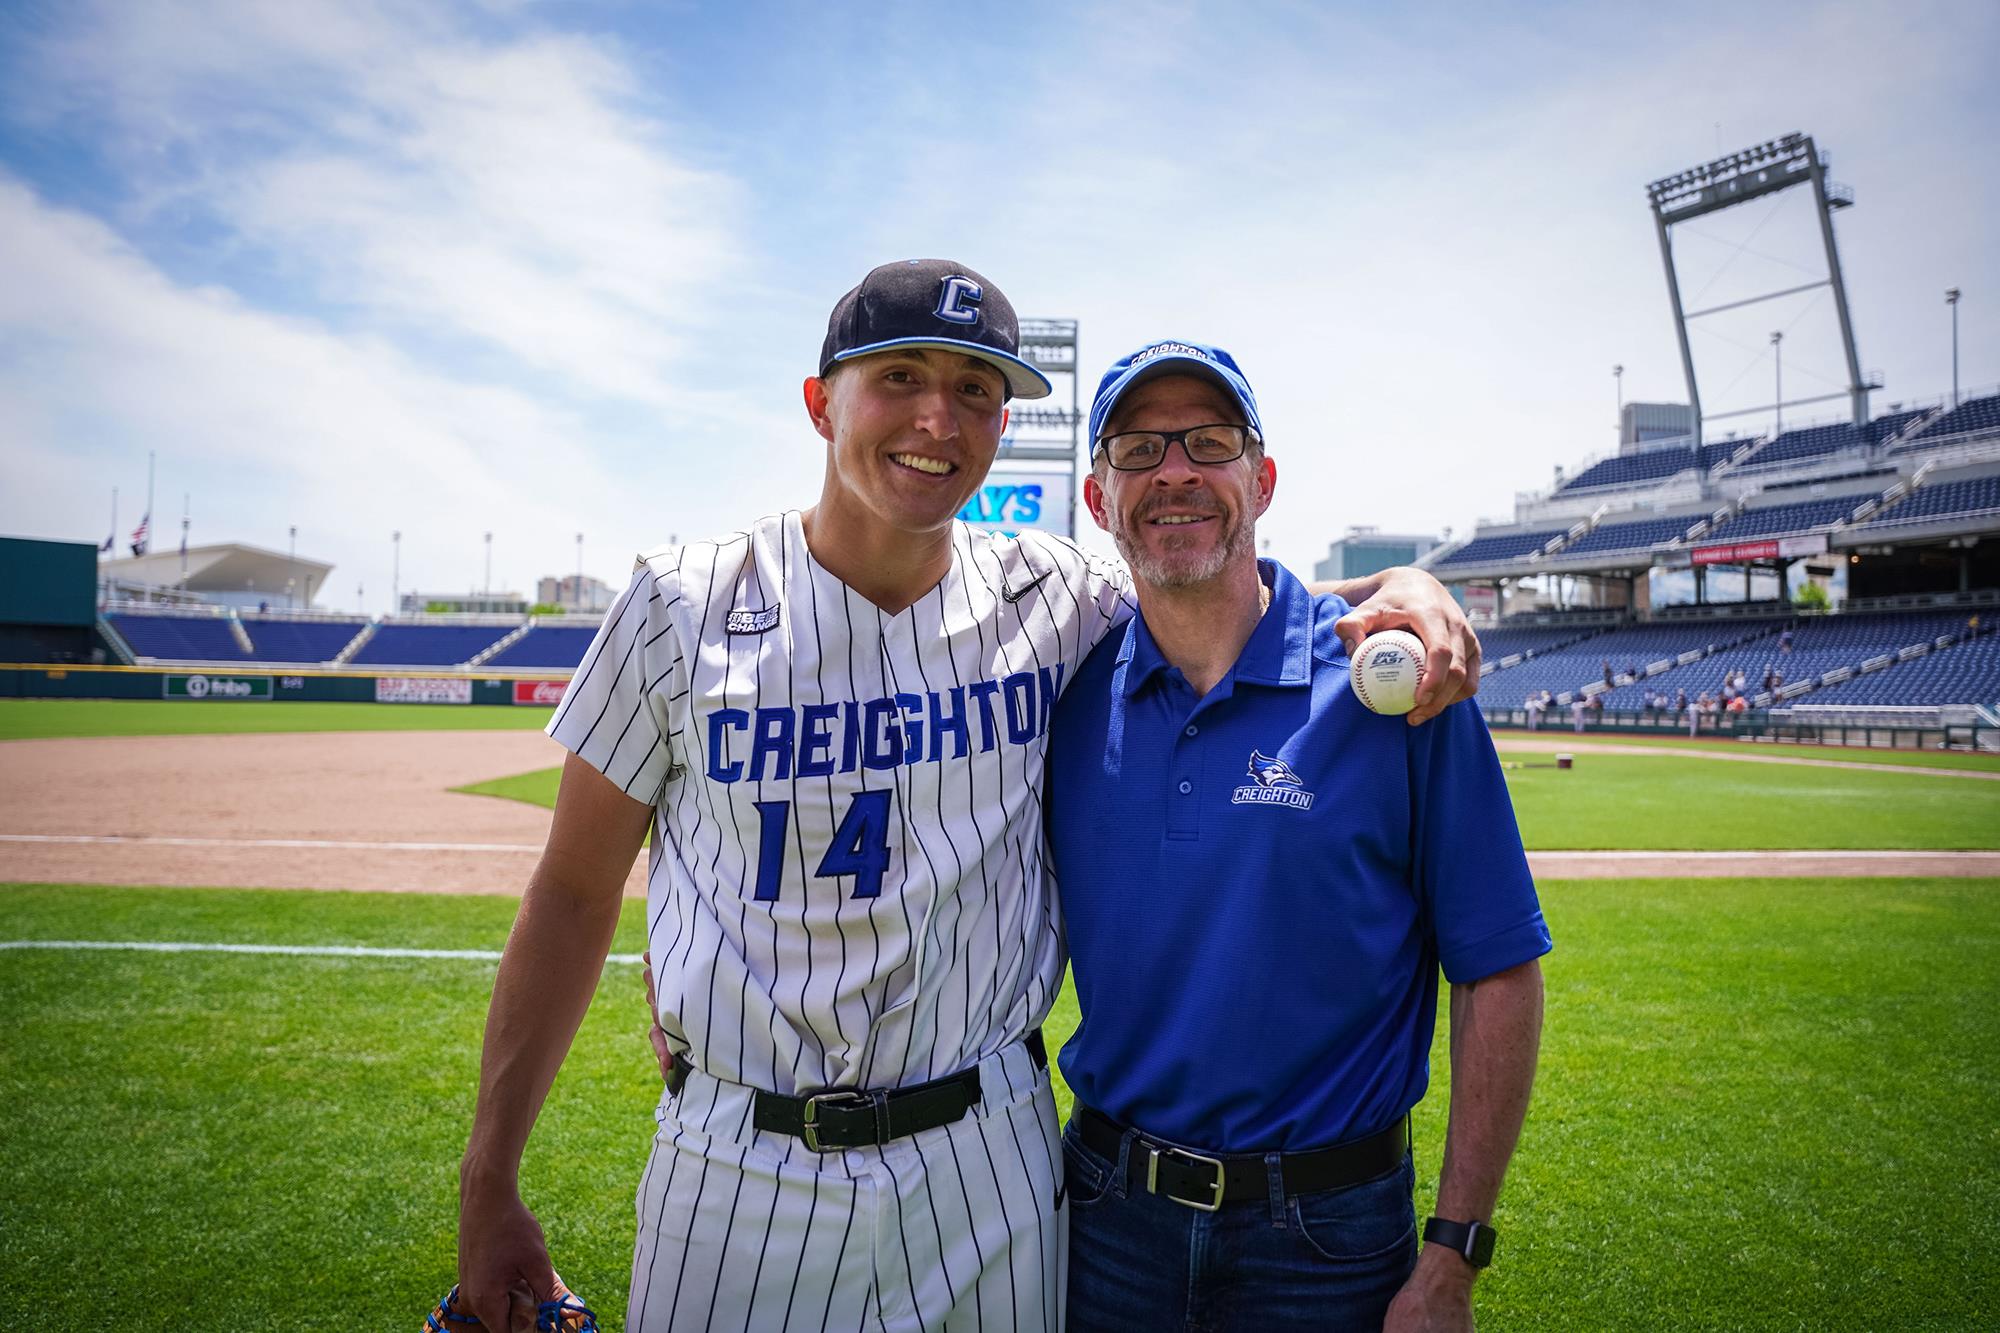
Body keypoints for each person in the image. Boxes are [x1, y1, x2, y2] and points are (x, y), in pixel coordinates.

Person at [455, 262, 1481, 1331]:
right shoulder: (678, 606)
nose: (938, 419)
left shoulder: (1053, 600)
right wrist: (488, 1180)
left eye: (976, 390)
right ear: (820, 403)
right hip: (736, 1157)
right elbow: (572, 891)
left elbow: (1223, 589)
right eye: (899, 376)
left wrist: (1407, 587)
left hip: (987, 1163)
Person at [1045, 340, 1549, 1331]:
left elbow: (1497, 968)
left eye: (1208, 441)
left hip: (1328, 1237)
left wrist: (1452, 1255)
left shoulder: (1396, 687)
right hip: (1105, 1218)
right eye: (1139, 449)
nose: (1174, 471)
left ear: (1262, 480)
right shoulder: (1061, 694)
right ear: (1099, 499)